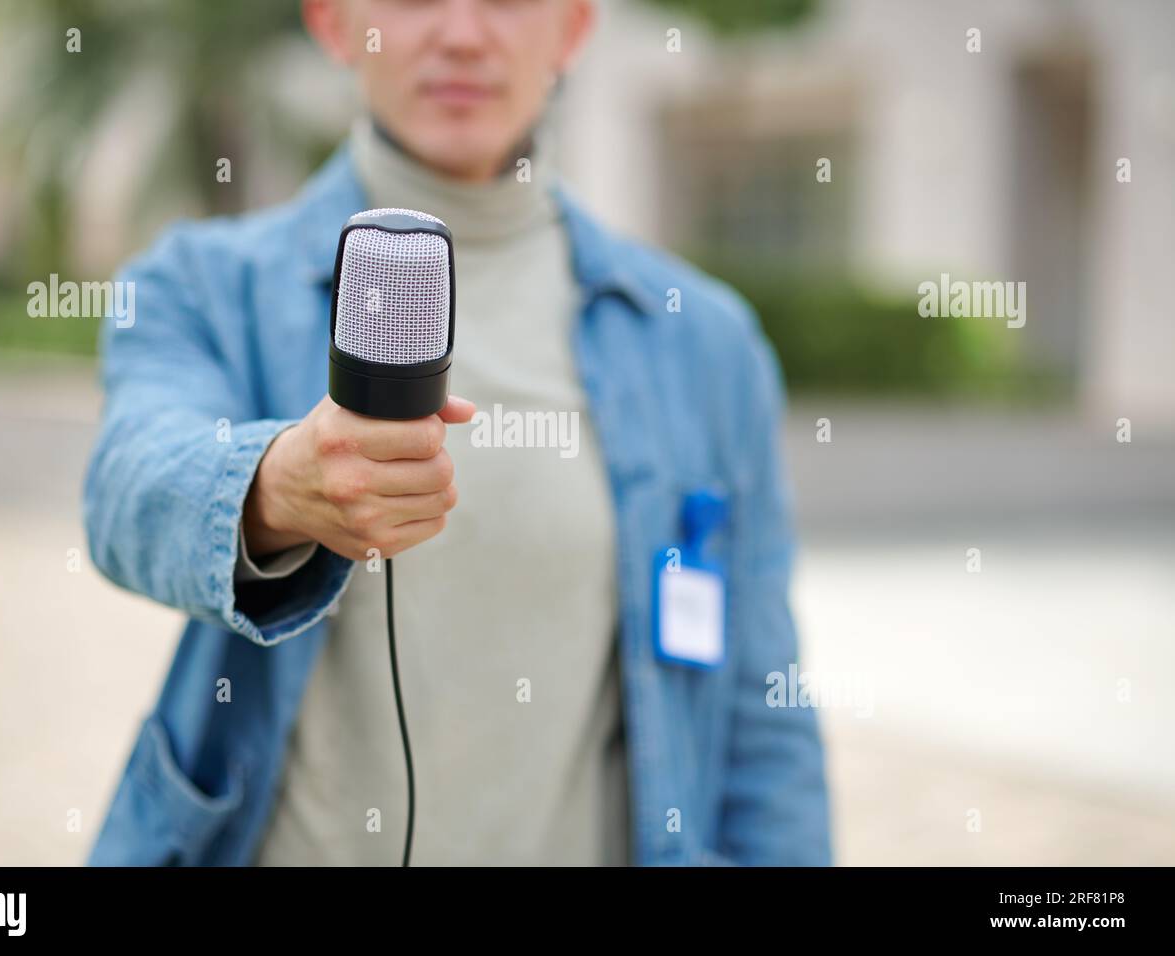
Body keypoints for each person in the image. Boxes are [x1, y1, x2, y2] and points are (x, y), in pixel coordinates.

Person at [83, 0, 831, 866]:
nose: (463, 34)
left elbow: (760, 715)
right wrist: (276, 486)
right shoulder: (202, 286)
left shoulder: (705, 344)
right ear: (331, 22)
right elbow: (124, 488)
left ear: (575, 28)